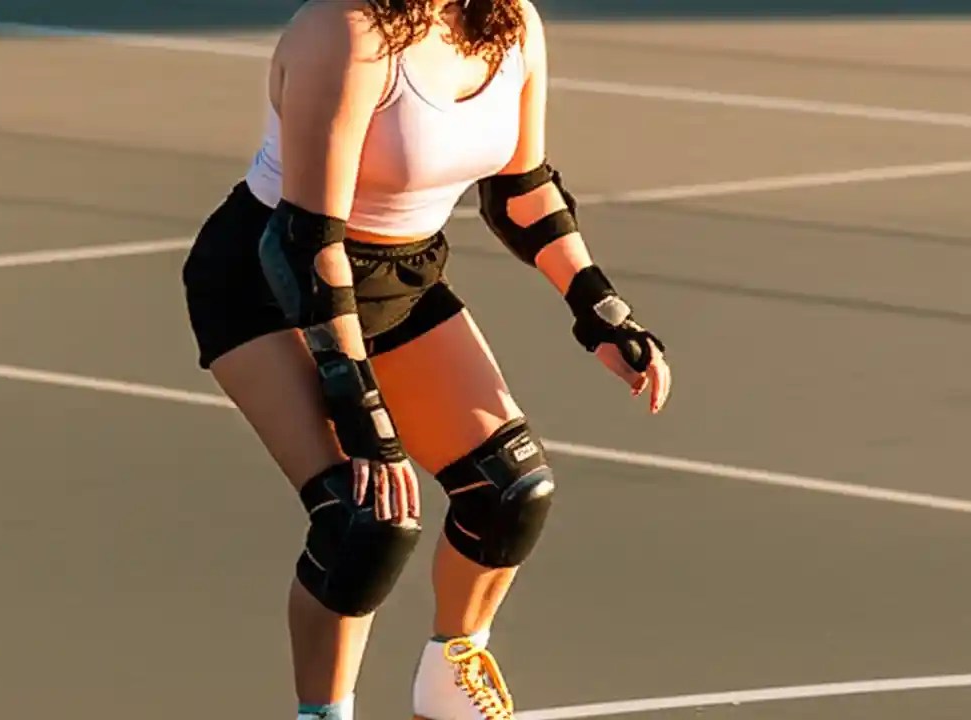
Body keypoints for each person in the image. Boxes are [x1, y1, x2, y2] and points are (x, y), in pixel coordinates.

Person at [180, 0, 672, 717]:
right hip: (269, 282)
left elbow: (521, 187)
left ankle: (451, 679)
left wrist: (598, 308)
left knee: (509, 492)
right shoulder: (344, 33)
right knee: (364, 520)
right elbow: (303, 247)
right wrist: (362, 414)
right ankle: (324, 713)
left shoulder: (509, 23)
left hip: (397, 280)